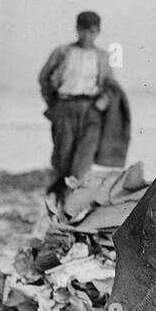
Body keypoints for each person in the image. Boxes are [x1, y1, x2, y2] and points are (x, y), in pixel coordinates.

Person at [38, 11, 114, 196]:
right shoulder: (63, 52)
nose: (88, 35)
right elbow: (44, 77)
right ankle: (58, 199)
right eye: (84, 31)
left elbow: (109, 86)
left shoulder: (102, 56)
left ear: (98, 32)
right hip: (65, 107)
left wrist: (101, 105)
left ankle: (74, 201)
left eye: (93, 31)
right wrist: (54, 104)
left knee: (83, 160)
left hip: (91, 110)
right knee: (62, 157)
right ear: (77, 29)